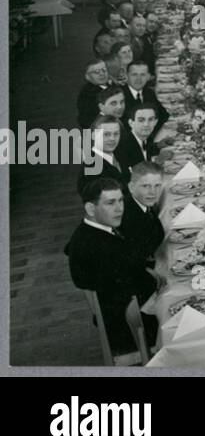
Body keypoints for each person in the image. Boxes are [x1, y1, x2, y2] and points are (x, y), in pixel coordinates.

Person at [65, 177, 160, 354]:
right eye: (110, 203)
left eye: (121, 201)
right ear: (90, 209)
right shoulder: (97, 245)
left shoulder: (93, 231)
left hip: (129, 310)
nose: (120, 209)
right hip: (130, 327)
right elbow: (132, 284)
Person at [118, 161, 165, 270]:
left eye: (157, 185)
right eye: (145, 186)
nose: (153, 192)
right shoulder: (127, 217)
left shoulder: (142, 204)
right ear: (131, 187)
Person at [78, 116, 129, 194]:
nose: (112, 138)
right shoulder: (92, 165)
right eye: (106, 134)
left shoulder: (120, 157)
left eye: (116, 134)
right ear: (93, 135)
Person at [115, 104, 159, 173]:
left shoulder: (147, 138)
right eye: (141, 120)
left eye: (150, 119)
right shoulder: (123, 146)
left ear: (156, 122)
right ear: (131, 123)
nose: (146, 124)